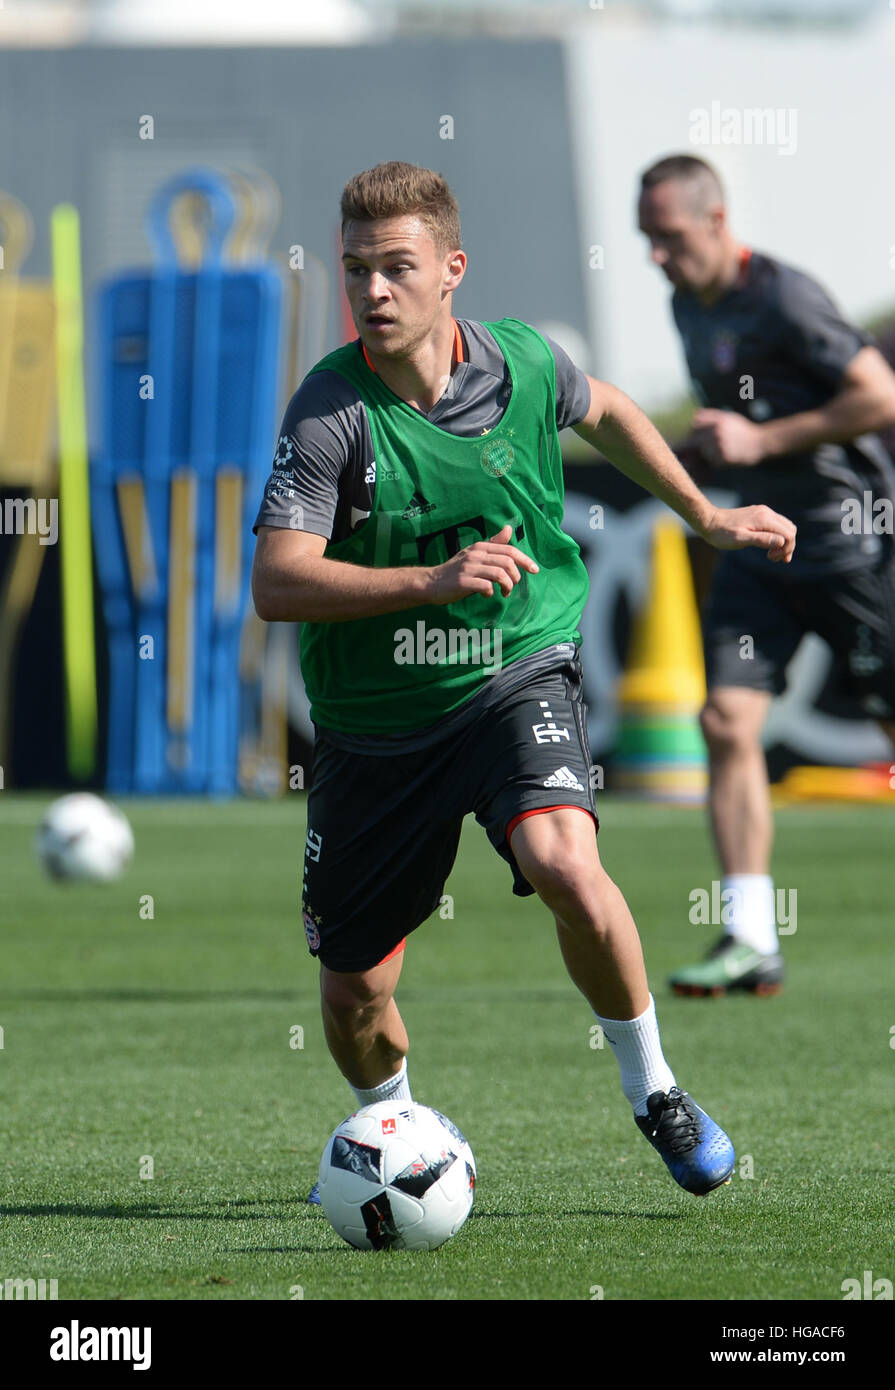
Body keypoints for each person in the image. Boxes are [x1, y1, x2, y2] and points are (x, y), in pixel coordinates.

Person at [251, 161, 796, 1205]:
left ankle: (657, 1094)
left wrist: (704, 513)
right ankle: (401, 1131)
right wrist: (429, 580)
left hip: (514, 669)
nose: (372, 291)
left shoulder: (522, 365)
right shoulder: (329, 411)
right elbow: (278, 580)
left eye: (396, 269)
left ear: (450, 270)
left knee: (561, 858)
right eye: (356, 270)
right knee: (357, 992)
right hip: (374, 725)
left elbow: (608, 411)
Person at [638, 154, 895, 997]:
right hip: (760, 543)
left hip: (845, 540)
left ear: (716, 221)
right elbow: (738, 422)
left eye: (668, 237)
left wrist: (763, 440)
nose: (656, 257)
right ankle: (750, 937)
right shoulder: (685, 304)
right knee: (722, 720)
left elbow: (878, 396)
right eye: (646, 240)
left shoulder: (785, 294)